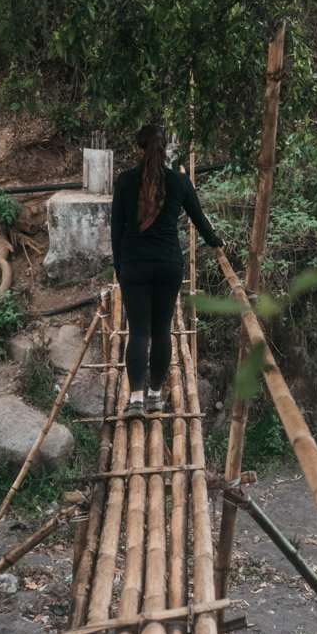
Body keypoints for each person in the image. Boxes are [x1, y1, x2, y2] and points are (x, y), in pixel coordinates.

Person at [110, 123, 223, 419]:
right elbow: (199, 220)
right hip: (168, 265)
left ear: (138, 148)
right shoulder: (180, 182)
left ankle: (135, 399)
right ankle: (156, 396)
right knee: (162, 331)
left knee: (138, 332)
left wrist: (119, 267)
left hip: (134, 265)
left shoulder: (124, 182)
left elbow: (116, 230)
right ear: (165, 149)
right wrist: (216, 242)